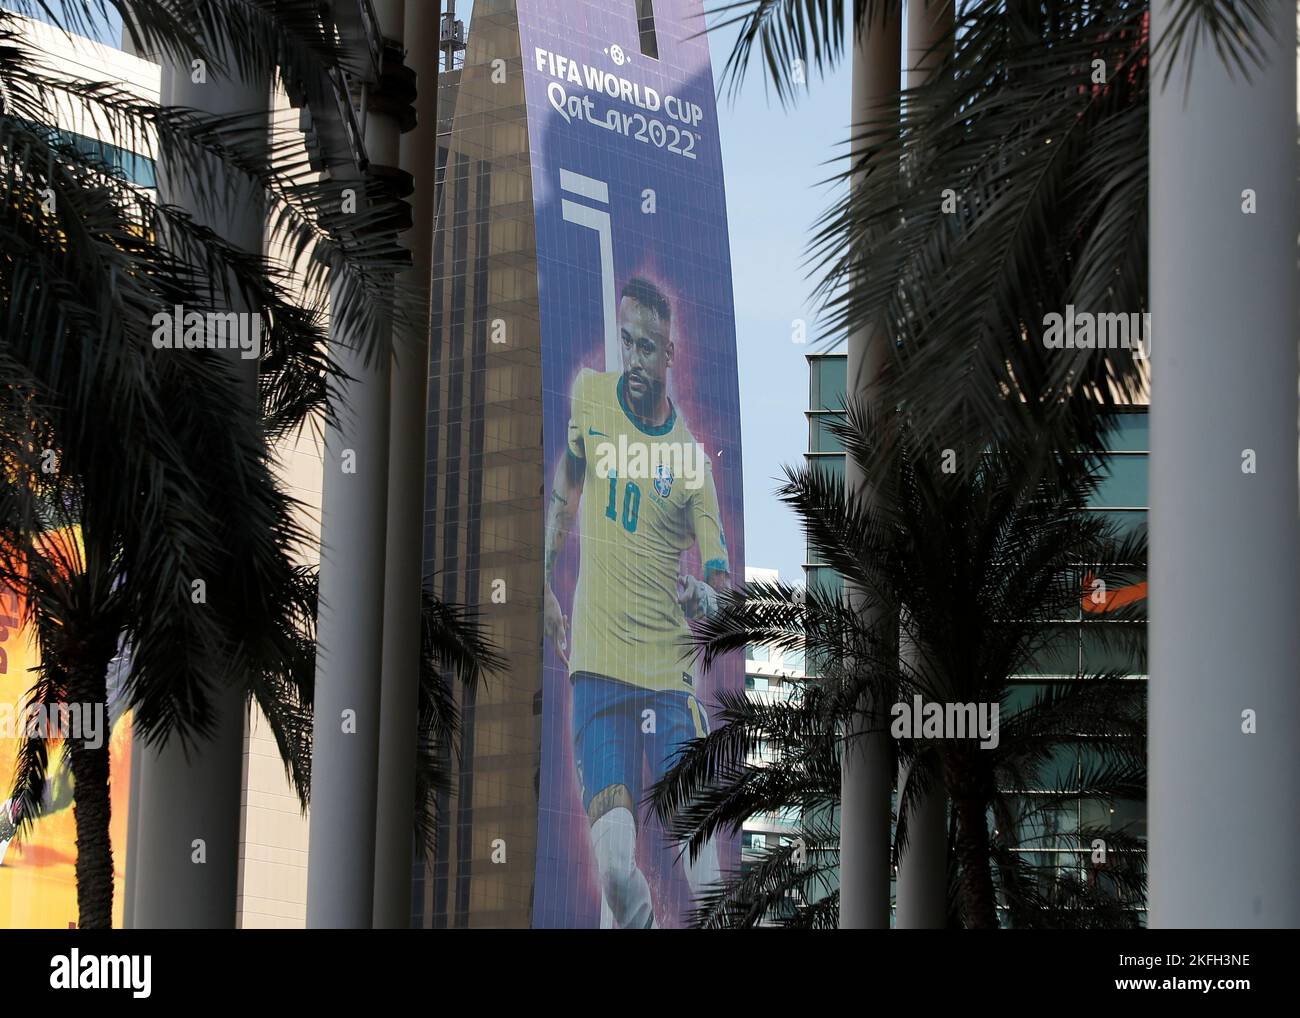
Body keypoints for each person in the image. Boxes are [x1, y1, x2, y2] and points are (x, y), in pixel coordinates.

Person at [544, 276, 729, 928]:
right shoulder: (591, 396)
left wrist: (706, 594)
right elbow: (567, 485)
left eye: (648, 347)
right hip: (597, 675)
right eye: (627, 341)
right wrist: (542, 579)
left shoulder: (689, 463)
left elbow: (719, 578)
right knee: (617, 868)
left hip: (666, 684)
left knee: (701, 864)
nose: (635, 358)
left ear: (670, 352)